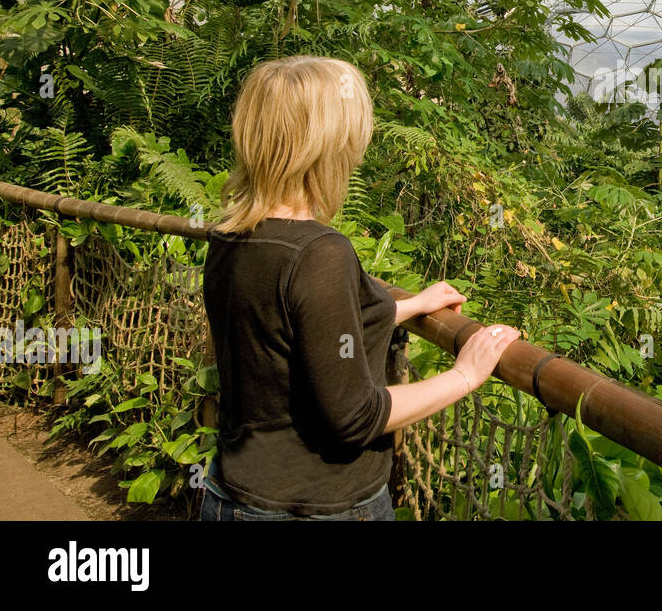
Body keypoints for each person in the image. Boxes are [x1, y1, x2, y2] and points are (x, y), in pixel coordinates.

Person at [199, 55, 520, 521]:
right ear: (332, 146)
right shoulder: (319, 253)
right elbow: (355, 416)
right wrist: (464, 376)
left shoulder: (232, 237)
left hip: (231, 494)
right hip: (316, 507)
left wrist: (406, 306)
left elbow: (299, 332)